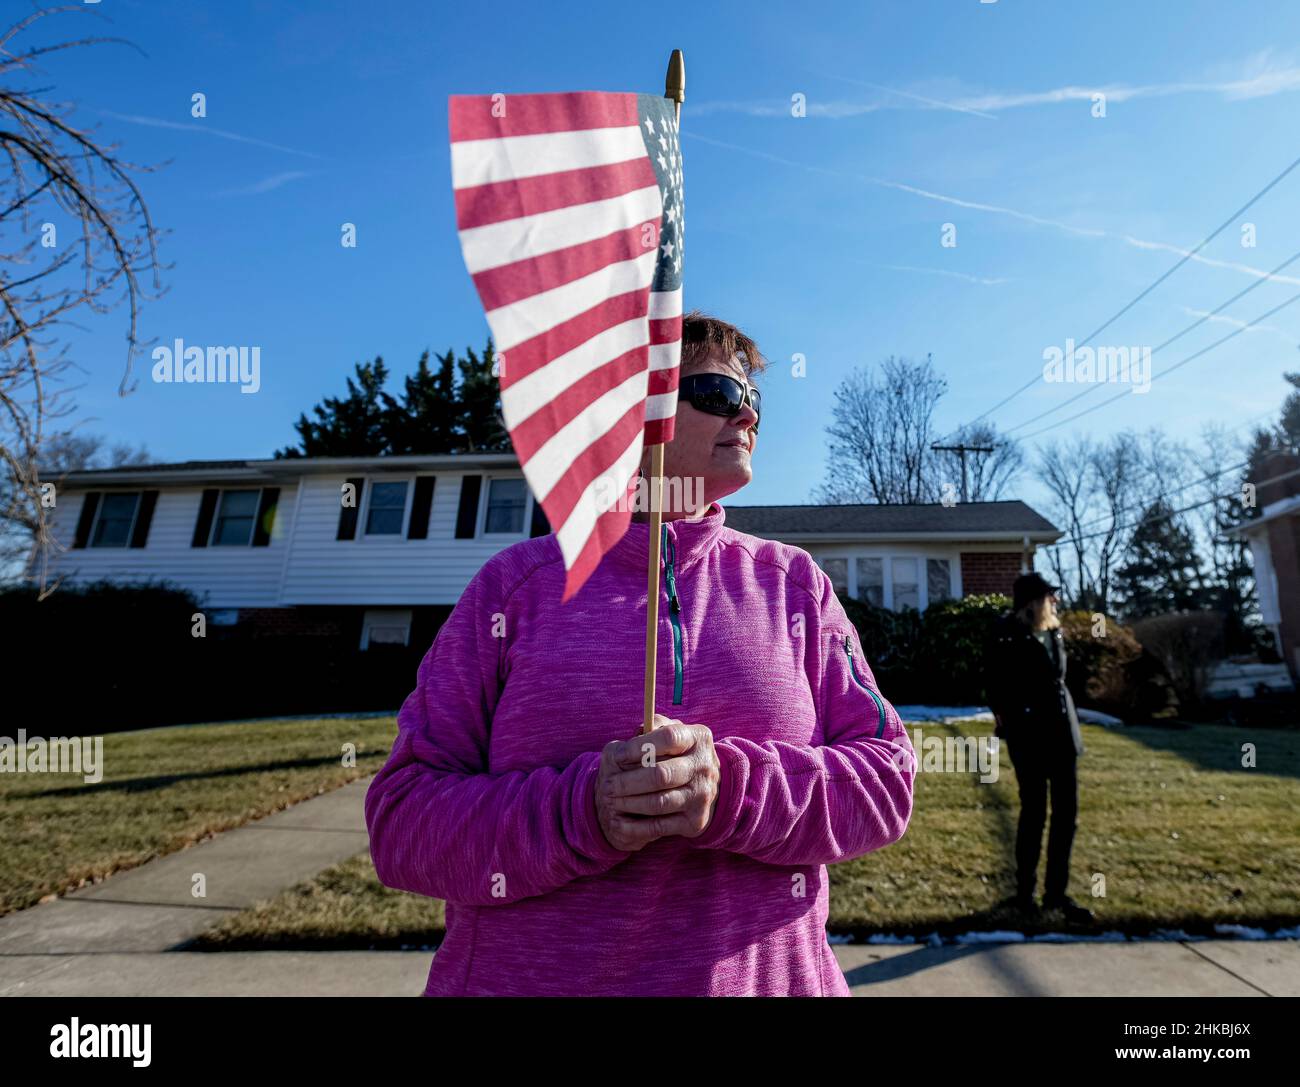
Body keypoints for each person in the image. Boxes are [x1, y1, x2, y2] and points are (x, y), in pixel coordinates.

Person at [364, 311, 916, 996]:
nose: (747, 418)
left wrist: (732, 791)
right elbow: (402, 824)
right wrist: (583, 810)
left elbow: (888, 781)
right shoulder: (514, 590)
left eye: (755, 401)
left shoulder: (795, 586)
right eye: (719, 394)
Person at [984, 573, 1094, 925]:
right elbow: (996, 687)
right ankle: (1025, 894)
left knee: (1066, 816)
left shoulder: (1054, 631)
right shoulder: (1006, 635)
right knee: (1034, 813)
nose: (1055, 602)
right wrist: (1010, 722)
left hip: (1064, 736)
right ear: (1032, 601)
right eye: (1049, 596)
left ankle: (1056, 894)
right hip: (1029, 738)